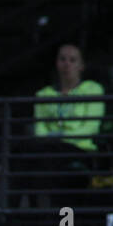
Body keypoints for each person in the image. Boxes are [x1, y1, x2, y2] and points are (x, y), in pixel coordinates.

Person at [11, 43, 105, 208]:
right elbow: (40, 128)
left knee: (38, 164)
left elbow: (91, 128)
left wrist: (62, 137)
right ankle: (16, 212)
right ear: (56, 63)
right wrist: (51, 139)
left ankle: (36, 213)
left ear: (81, 66)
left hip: (79, 148)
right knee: (21, 155)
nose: (67, 64)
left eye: (72, 60)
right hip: (48, 147)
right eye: (62, 59)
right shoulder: (43, 94)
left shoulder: (93, 89)